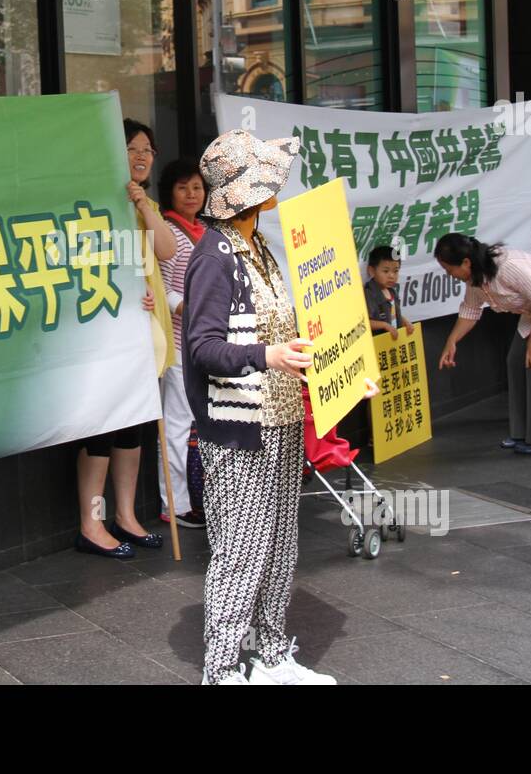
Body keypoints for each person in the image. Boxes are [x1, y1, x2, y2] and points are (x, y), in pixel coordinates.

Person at [183, 128, 334, 686]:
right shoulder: (214, 257)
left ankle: (271, 657)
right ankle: (221, 672)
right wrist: (268, 354)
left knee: (280, 545)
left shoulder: (258, 247)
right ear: (245, 192)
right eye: (266, 179)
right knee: (241, 554)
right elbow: (202, 348)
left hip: (281, 419)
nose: (275, 187)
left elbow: (286, 336)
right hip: (239, 428)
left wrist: (341, 371)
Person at [73, 120, 177, 559]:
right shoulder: (94, 202)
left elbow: (167, 250)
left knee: (132, 428)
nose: (141, 155)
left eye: (148, 149)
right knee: (100, 431)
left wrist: (145, 207)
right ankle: (91, 523)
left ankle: (127, 517)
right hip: (105, 336)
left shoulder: (142, 203)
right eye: (132, 148)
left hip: (142, 334)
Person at [435, 233, 531, 456]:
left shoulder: (507, 267)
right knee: (516, 361)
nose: (451, 275)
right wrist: (452, 341)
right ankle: (523, 432)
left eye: (450, 270)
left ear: (466, 262)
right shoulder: (476, 277)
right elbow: (470, 310)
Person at [155, 156, 207, 528]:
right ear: (168, 192)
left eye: (198, 187)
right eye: (182, 187)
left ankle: (198, 497)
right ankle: (174, 503)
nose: (191, 194)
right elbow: (159, 288)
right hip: (177, 344)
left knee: (196, 426)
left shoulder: (206, 230)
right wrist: (189, 306)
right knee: (176, 426)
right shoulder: (168, 232)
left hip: (205, 343)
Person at [364, 245, 415, 340]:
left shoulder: (392, 291)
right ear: (371, 271)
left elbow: (393, 315)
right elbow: (365, 323)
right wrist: (384, 325)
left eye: (395, 271)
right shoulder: (369, 293)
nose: (391, 276)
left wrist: (405, 322)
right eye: (386, 271)